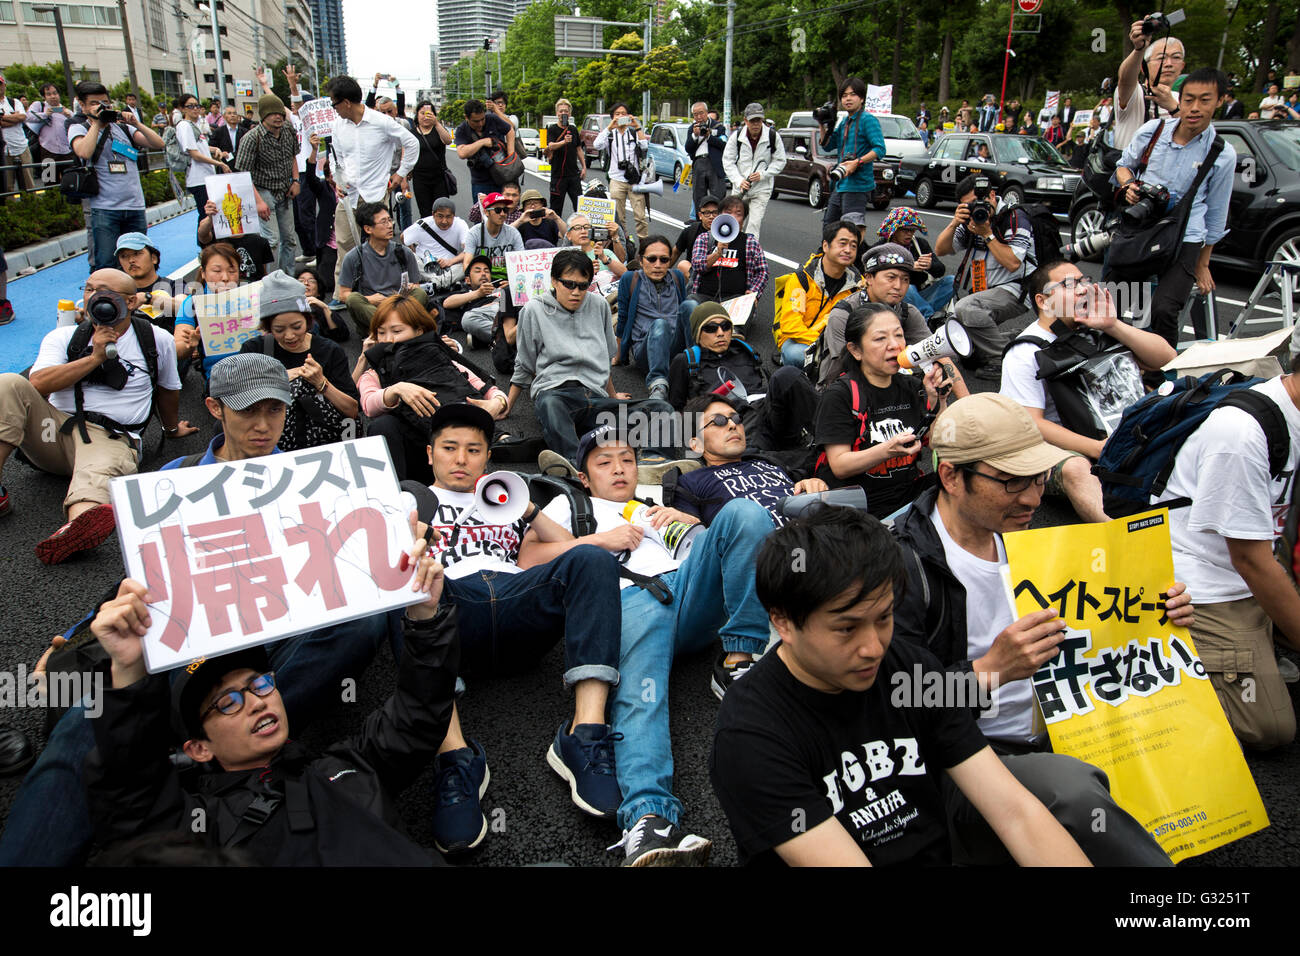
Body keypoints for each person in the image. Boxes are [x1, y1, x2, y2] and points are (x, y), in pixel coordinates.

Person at [0, 353, 393, 866]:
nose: (263, 425)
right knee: (83, 722)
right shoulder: (174, 479)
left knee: (363, 622)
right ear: (214, 408)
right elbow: (141, 582)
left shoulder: (312, 477)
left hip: (268, 647)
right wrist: (78, 637)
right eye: (248, 411)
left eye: (275, 410)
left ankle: (218, 738)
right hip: (185, 648)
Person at [890, 393, 1187, 865]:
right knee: (1074, 794)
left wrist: (1157, 614)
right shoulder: (899, 565)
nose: (1032, 498)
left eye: (1039, 478)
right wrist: (989, 671)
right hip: (966, 758)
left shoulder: (1031, 544)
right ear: (950, 475)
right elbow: (896, 698)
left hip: (1070, 725)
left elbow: (1097, 634)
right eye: (1011, 482)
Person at [712, 505, 1094, 867]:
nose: (873, 647)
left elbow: (1015, 812)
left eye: (884, 617)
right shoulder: (751, 734)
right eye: (847, 628)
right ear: (782, 623)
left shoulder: (909, 668)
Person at [82, 514, 455, 865]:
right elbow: (131, 799)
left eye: (259, 684)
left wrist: (424, 617)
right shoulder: (196, 826)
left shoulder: (353, 763)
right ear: (198, 748)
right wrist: (128, 670)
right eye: (227, 703)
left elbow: (418, 714)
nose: (256, 702)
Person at [538, 423, 778, 864]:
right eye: (604, 462)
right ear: (584, 476)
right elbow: (526, 559)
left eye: (627, 460)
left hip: (689, 593)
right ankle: (648, 821)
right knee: (641, 695)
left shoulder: (655, 502)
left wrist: (696, 524)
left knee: (744, 513)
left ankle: (737, 656)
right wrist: (596, 541)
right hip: (631, 599)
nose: (619, 469)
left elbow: (724, 549)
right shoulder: (568, 504)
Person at [416, 402, 625, 851]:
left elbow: (569, 550)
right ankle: (453, 756)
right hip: (453, 608)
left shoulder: (506, 501)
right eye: (449, 448)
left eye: (474, 450)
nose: (461, 459)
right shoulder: (410, 500)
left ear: (486, 457)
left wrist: (525, 506)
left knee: (591, 559)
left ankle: (585, 732)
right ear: (429, 453)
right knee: (410, 581)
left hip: (515, 599)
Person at [0, 268, 194, 563]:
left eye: (104, 290)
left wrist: (170, 429)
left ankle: (76, 527)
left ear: (130, 302)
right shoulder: (64, 336)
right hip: (54, 432)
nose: (94, 296)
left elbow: (169, 390)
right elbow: (38, 384)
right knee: (8, 383)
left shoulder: (156, 340)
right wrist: (94, 358)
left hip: (112, 436)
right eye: (89, 289)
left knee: (99, 471)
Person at [1157, 358, 1300, 751]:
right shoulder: (1241, 433)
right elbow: (1249, 560)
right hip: (1205, 580)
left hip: (1260, 560)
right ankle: (1163, 663)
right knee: (1268, 728)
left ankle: (1263, 642)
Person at [1001, 261, 1173, 522]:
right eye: (1070, 284)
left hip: (1128, 432)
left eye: (1084, 281)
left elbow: (1166, 358)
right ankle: (1118, 534)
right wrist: (1097, 448)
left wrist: (1112, 325)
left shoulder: (1096, 329)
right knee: (1076, 469)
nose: (1084, 289)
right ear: (1044, 300)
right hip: (1070, 446)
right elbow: (1032, 423)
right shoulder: (1025, 351)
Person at [508, 250, 675, 469]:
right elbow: (525, 362)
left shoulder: (599, 306)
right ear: (553, 280)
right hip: (556, 393)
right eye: (569, 284)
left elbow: (604, 358)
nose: (576, 292)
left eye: (583, 285)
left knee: (661, 408)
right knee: (550, 405)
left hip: (596, 398)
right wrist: (508, 405)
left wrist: (613, 396)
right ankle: (576, 466)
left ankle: (654, 462)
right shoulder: (534, 309)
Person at [1109, 68, 1236, 349]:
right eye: (1188, 99)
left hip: (1185, 237)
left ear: (1219, 101)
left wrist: (1202, 264)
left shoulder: (1222, 153)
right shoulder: (1152, 131)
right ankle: (1106, 364)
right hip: (1141, 228)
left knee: (1164, 309)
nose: (1194, 108)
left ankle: (1161, 377)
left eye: (1205, 100)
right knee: (1111, 301)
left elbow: (1216, 213)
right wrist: (1129, 185)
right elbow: (1122, 166)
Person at [814, 303, 964, 520]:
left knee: (965, 479)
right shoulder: (841, 394)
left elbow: (938, 443)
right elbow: (839, 465)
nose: (895, 345)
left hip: (905, 494)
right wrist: (887, 450)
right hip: (855, 504)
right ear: (856, 350)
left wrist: (937, 399)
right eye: (880, 339)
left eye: (899, 335)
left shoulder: (912, 387)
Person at [355, 293, 505, 482]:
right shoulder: (376, 372)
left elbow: (490, 390)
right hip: (410, 454)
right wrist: (397, 389)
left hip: (451, 450)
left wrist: (497, 404)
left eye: (396, 331)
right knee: (383, 425)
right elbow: (368, 405)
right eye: (381, 332)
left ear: (419, 331)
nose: (388, 339)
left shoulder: (439, 359)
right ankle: (396, 496)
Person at [933, 173, 1037, 373]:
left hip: (1018, 289)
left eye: (978, 201)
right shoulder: (972, 221)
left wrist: (987, 234)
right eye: (970, 205)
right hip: (985, 291)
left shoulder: (1014, 217)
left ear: (991, 195)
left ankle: (1003, 360)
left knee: (966, 309)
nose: (977, 207)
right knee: (960, 334)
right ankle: (1017, 338)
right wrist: (955, 222)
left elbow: (1013, 263)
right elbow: (941, 250)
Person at [238, 270, 359, 439]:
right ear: (267, 328)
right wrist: (278, 377)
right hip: (271, 434)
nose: (289, 336)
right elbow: (235, 402)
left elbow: (352, 411)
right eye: (279, 330)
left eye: (296, 327)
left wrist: (322, 383)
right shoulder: (254, 349)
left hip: (322, 431)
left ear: (309, 321)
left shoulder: (329, 350)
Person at [326, 75, 421, 288]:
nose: (335, 109)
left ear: (346, 102)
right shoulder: (339, 125)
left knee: (379, 245)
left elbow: (412, 143)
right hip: (348, 195)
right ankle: (342, 293)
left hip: (375, 194)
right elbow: (335, 157)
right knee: (344, 245)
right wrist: (337, 179)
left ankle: (383, 287)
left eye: (335, 104)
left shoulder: (381, 122)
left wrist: (400, 173)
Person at [67, 82, 166, 271]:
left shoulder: (123, 128)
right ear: (83, 105)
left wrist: (136, 123)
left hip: (134, 205)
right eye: (95, 103)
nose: (102, 106)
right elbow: (84, 152)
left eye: (105, 102)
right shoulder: (78, 128)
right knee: (107, 264)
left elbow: (158, 143)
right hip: (105, 208)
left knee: (139, 264)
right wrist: (97, 122)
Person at [816, 242, 933, 388]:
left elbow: (937, 353)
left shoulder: (908, 312)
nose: (898, 286)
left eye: (905, 279)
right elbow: (847, 370)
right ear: (869, 278)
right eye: (891, 277)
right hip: (844, 392)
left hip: (890, 386)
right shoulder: (843, 314)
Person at [616, 235, 697, 400]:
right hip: (646, 348)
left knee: (691, 306)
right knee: (660, 324)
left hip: (674, 346)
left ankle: (696, 369)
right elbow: (623, 318)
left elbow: (683, 315)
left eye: (664, 260)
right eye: (652, 259)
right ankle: (658, 384)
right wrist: (619, 356)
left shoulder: (677, 277)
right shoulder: (630, 279)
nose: (658, 265)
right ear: (640, 260)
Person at [772, 219, 860, 368]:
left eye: (853, 245)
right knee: (796, 355)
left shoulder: (857, 285)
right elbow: (791, 325)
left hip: (837, 341)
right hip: (799, 340)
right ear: (826, 246)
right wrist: (825, 345)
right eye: (843, 243)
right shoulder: (802, 279)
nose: (848, 250)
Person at [232, 93, 302, 275]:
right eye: (273, 113)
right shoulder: (251, 138)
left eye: (280, 113)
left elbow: (293, 156)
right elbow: (242, 173)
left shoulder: (288, 130)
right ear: (263, 116)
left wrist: (296, 180)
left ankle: (287, 278)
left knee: (289, 238)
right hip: (261, 189)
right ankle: (264, 278)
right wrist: (258, 201)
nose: (278, 116)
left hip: (285, 189)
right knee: (271, 239)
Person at [337, 201, 427, 335]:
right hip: (373, 310)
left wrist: (403, 295)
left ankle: (387, 330)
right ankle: (398, 329)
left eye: (390, 220)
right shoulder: (354, 256)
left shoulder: (403, 252)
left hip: (399, 306)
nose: (390, 225)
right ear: (368, 229)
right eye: (383, 222)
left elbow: (416, 286)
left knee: (420, 294)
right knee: (353, 299)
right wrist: (369, 299)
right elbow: (343, 294)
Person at [818, 77, 887, 225]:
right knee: (829, 227)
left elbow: (880, 149)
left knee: (851, 230)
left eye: (852, 94)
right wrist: (822, 123)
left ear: (861, 98)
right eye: (844, 95)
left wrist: (857, 162)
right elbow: (827, 146)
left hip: (858, 186)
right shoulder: (844, 122)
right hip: (841, 184)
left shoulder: (868, 120)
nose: (848, 99)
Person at [868, 208, 954, 322]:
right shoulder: (881, 248)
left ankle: (922, 314)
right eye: (905, 230)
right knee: (905, 285)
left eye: (913, 230)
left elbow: (940, 270)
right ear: (894, 229)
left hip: (920, 294)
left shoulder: (919, 244)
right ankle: (928, 318)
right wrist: (909, 266)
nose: (910, 234)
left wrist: (930, 265)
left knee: (952, 281)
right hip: (893, 297)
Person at [172, 243, 244, 379]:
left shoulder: (253, 295)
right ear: (203, 273)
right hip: (219, 377)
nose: (225, 277)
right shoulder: (193, 303)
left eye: (232, 271)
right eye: (217, 271)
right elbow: (177, 349)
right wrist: (190, 343)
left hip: (259, 368)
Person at [721, 103, 786, 242]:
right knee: (734, 222)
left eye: (758, 120)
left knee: (753, 224)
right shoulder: (737, 136)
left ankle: (750, 255)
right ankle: (730, 250)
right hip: (740, 188)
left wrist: (763, 174)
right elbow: (727, 161)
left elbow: (780, 161)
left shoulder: (773, 136)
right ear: (745, 120)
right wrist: (739, 180)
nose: (756, 124)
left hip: (762, 188)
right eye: (752, 121)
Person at [1114, 21, 1185, 149]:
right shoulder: (1136, 94)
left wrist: (1174, 108)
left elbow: (1195, 135)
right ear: (1143, 66)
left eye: (1176, 57)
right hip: (1129, 169)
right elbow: (1125, 80)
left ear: (1182, 66)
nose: (1169, 63)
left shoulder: (1184, 99)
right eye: (1161, 58)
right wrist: (1139, 50)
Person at [689, 195, 768, 305]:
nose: (733, 217)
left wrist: (753, 292)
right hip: (704, 297)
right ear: (719, 215)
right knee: (689, 306)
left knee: (744, 312)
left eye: (738, 214)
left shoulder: (750, 242)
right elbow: (697, 266)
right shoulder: (705, 238)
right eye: (728, 212)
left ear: (743, 220)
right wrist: (717, 253)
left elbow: (762, 271)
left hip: (735, 301)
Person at [593, 103, 650, 241]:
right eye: (617, 114)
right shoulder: (610, 135)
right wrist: (609, 127)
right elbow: (597, 145)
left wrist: (637, 127)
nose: (620, 116)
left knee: (640, 216)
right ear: (612, 117)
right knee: (619, 215)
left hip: (635, 180)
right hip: (616, 179)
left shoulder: (633, 133)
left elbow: (644, 146)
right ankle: (624, 242)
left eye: (623, 113)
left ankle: (644, 244)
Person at [174, 94, 231, 216]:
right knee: (206, 217)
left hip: (206, 178)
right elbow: (194, 154)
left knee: (211, 216)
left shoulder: (194, 125)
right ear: (183, 109)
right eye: (190, 106)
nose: (195, 109)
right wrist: (219, 163)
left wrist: (215, 149)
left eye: (197, 105)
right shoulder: (184, 126)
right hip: (198, 179)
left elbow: (201, 147)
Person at [196, 199, 275, 282]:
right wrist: (210, 218)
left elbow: (262, 272)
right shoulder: (215, 241)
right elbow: (202, 235)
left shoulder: (260, 242)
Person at [454, 98, 514, 202]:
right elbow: (462, 153)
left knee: (504, 214)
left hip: (502, 177)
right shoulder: (462, 129)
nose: (480, 124)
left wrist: (510, 155)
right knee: (482, 215)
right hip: (480, 181)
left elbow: (510, 130)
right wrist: (483, 142)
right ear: (466, 117)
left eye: (482, 119)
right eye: (476, 121)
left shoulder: (492, 119)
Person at [113, 232, 174, 332]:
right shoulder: (117, 295)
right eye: (124, 256)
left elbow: (188, 307)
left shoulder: (175, 285)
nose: (131, 260)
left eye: (137, 253)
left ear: (154, 258)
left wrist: (148, 298)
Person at [462, 191, 525, 284]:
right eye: (498, 210)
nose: (503, 214)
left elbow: (522, 263)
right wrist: (473, 282)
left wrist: (512, 282)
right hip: (481, 280)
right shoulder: (474, 233)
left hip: (506, 281)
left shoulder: (514, 233)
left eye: (505, 210)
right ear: (486, 212)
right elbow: (467, 263)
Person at [440, 254, 501, 347]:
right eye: (478, 271)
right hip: (491, 320)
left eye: (486, 271)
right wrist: (478, 293)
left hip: (505, 312)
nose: (483, 273)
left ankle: (484, 340)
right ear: (468, 280)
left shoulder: (499, 288)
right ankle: (508, 338)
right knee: (468, 319)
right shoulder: (466, 295)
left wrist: (511, 289)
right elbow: (447, 303)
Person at [408, 100, 453, 218]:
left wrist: (437, 123)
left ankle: (442, 235)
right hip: (420, 178)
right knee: (425, 212)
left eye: (429, 113)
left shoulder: (438, 129)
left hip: (439, 178)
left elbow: (448, 140)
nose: (425, 116)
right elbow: (406, 155)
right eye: (422, 113)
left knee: (442, 211)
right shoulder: (411, 133)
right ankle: (428, 235)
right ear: (417, 115)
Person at [566, 213, 626, 296]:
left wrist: (605, 259)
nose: (583, 231)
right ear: (569, 235)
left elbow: (626, 274)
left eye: (586, 227)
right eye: (578, 228)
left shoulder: (605, 253)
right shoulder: (565, 258)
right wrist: (588, 274)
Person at [684, 101, 728, 212]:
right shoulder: (692, 128)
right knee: (699, 196)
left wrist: (709, 136)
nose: (699, 117)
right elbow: (688, 148)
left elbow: (724, 145)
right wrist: (695, 135)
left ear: (707, 112)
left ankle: (718, 222)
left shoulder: (718, 127)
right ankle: (700, 223)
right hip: (699, 163)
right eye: (695, 114)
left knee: (718, 195)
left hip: (714, 163)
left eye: (701, 113)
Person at [546, 98, 587, 215]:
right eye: (561, 111)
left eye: (566, 111)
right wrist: (564, 142)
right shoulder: (552, 129)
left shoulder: (573, 129)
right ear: (556, 113)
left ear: (570, 113)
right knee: (556, 208)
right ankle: (555, 232)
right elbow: (551, 146)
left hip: (573, 174)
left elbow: (579, 148)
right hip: (558, 175)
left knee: (579, 207)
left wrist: (584, 167)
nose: (563, 113)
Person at [23, 82, 73, 172]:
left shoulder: (67, 111)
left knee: (69, 181)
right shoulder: (39, 106)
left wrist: (69, 116)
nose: (53, 96)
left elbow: (77, 125)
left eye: (55, 93)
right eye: (49, 94)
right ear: (44, 97)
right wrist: (45, 114)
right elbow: (27, 117)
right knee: (49, 181)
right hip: (47, 150)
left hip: (67, 151)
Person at [0, 74, 33, 197]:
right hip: (3, 150)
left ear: (4, 85)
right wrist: (13, 118)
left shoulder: (14, 102)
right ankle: (12, 213)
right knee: (7, 186)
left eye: (0, 84)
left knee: (28, 182)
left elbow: (22, 117)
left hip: (21, 145)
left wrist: (3, 117)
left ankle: (32, 209)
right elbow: (16, 118)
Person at [673, 196, 720, 280]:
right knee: (683, 265)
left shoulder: (728, 232)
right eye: (706, 213)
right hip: (695, 273)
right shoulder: (691, 231)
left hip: (719, 272)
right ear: (700, 215)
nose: (711, 216)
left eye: (715, 212)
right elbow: (676, 252)